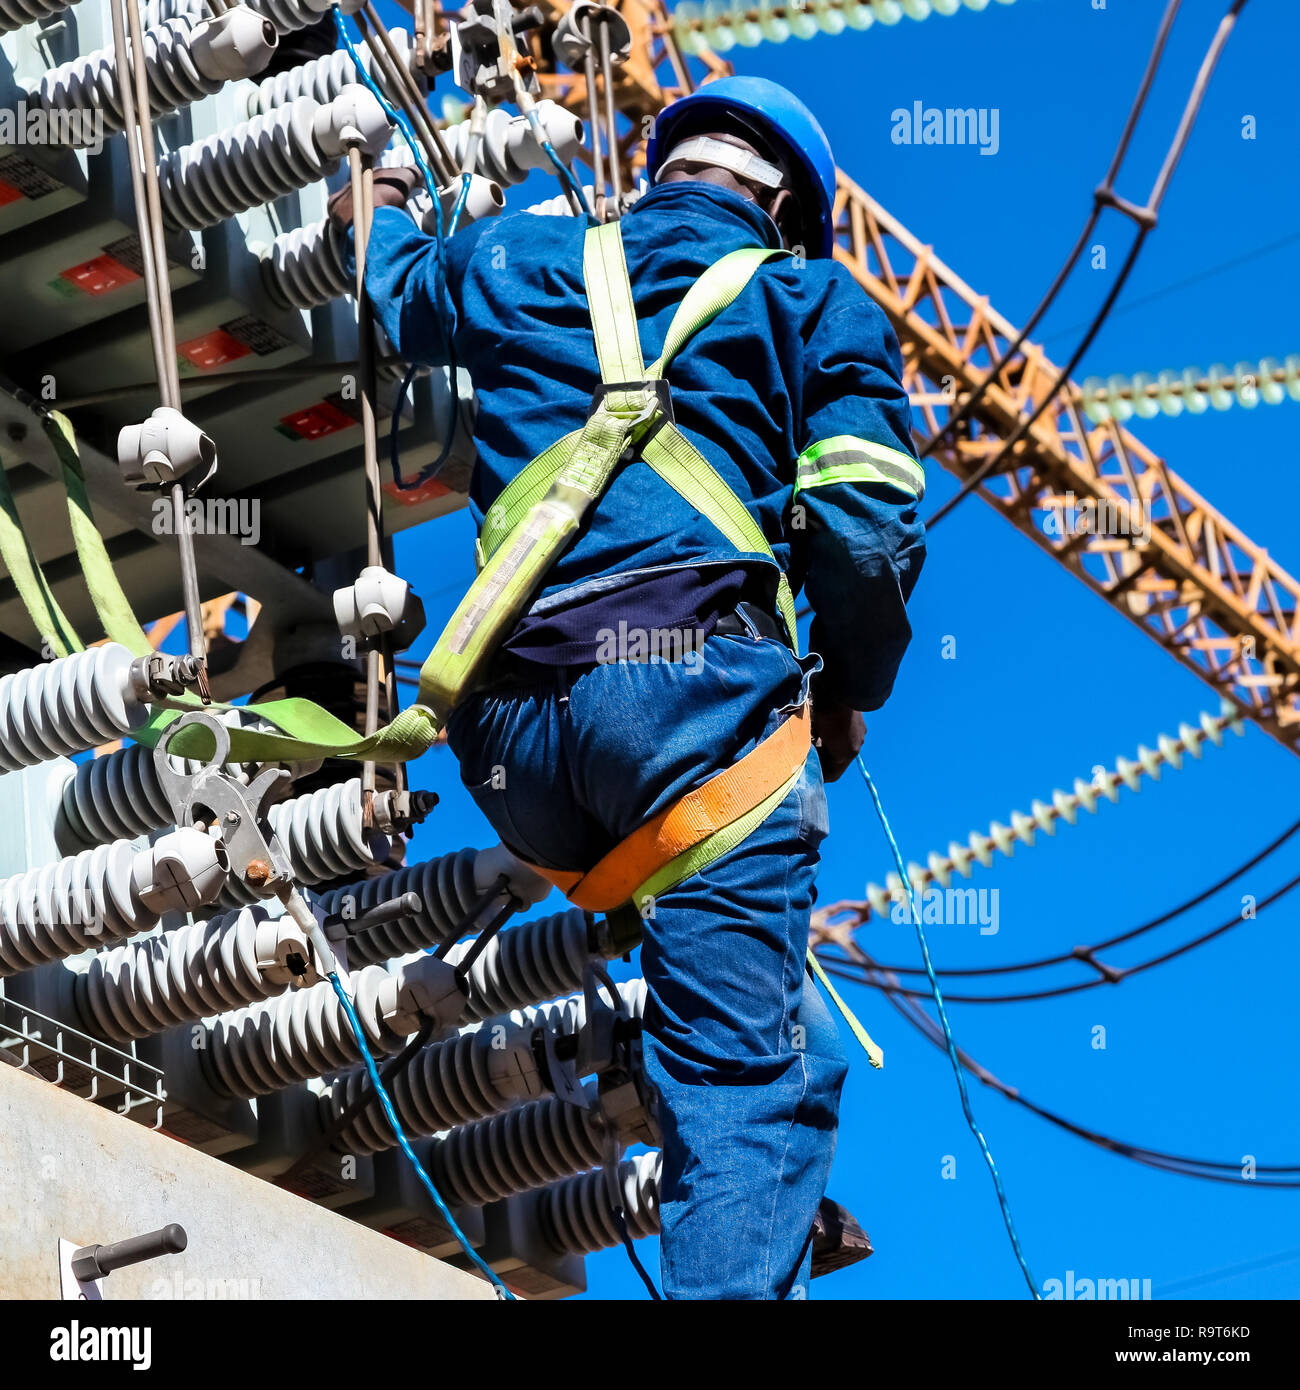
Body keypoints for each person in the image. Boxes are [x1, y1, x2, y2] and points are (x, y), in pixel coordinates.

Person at [331, 75, 926, 1299]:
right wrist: (849, 688)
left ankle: (763, 1190)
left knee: (784, 1046)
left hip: (511, 746)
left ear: (663, 171)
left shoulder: (510, 256)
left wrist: (380, 192)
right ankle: (736, 1206)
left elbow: (389, 283)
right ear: (786, 213)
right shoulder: (810, 298)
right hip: (689, 722)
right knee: (741, 1086)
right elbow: (864, 536)